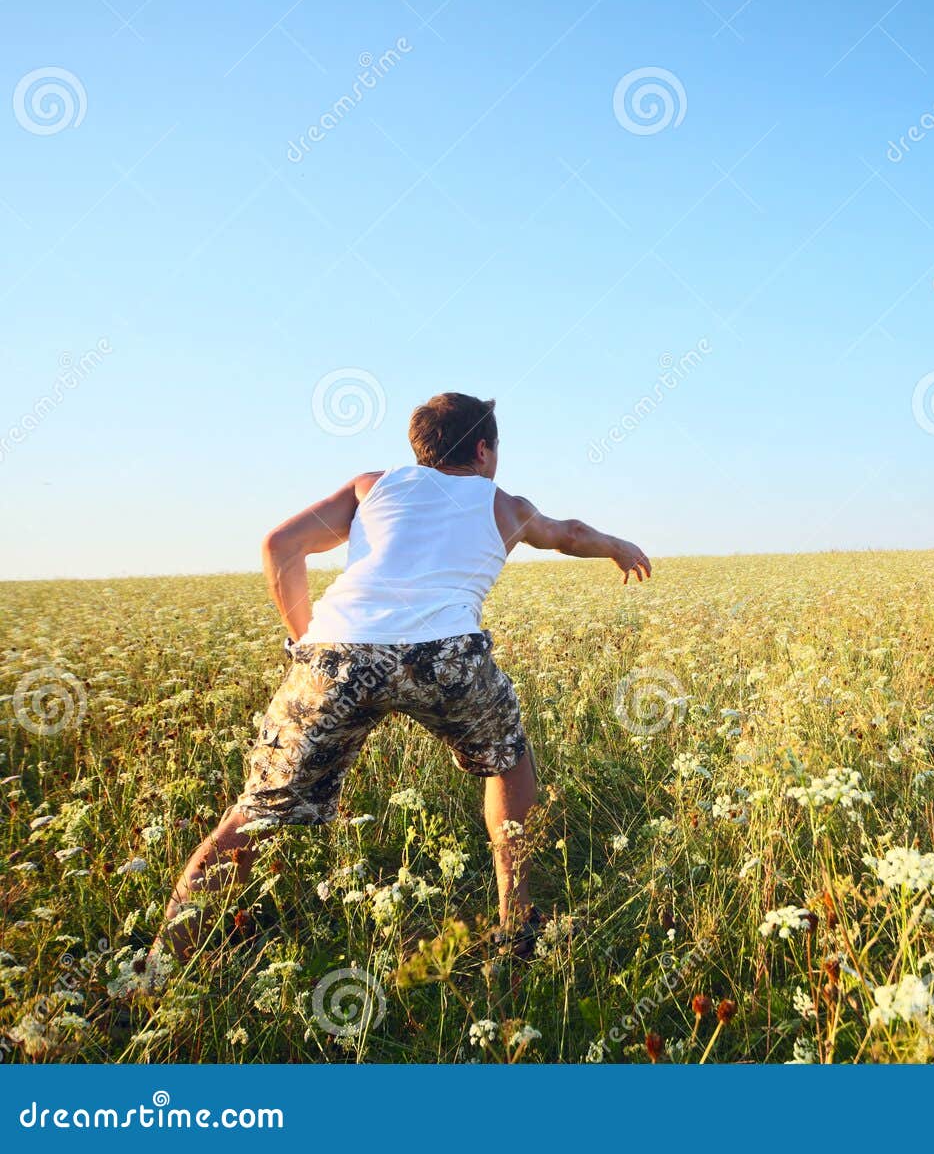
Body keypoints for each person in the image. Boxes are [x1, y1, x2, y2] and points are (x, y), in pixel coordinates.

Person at [154, 392, 651, 961]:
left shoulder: (372, 487)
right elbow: (570, 533)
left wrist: (309, 643)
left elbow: (280, 545)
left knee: (256, 810)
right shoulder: (505, 506)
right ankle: (517, 926)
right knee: (508, 762)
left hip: (338, 655)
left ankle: (160, 965)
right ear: (484, 448)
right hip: (445, 658)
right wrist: (618, 546)